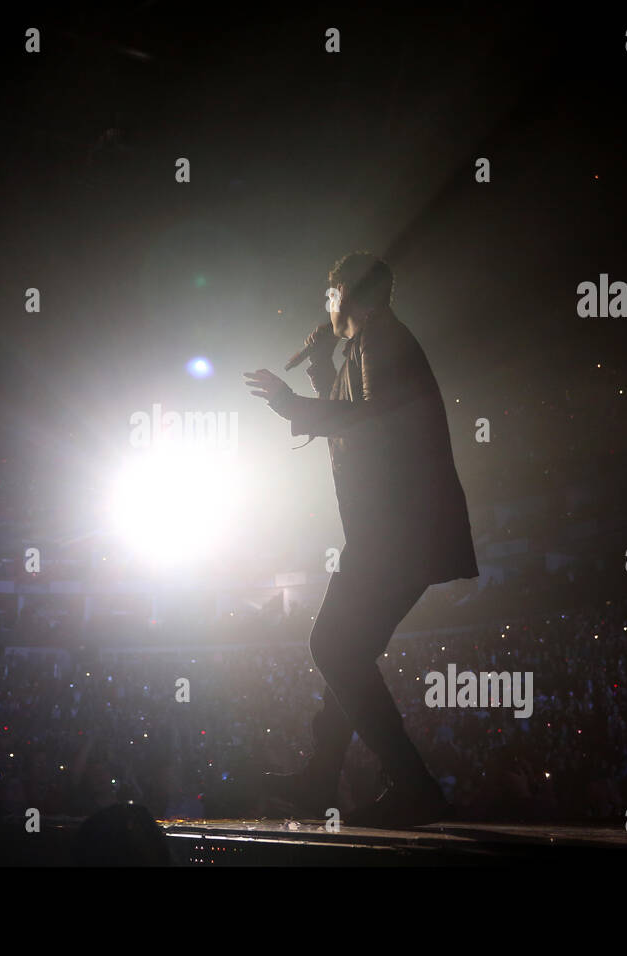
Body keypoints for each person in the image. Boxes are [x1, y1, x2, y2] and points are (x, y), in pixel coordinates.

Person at [244, 251, 479, 827]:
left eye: (328, 294)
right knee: (347, 651)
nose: (323, 305)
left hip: (398, 531)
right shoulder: (368, 346)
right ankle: (324, 775)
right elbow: (356, 413)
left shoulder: (381, 340)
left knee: (331, 647)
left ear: (346, 293)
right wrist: (320, 366)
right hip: (397, 530)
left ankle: (413, 786)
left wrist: (288, 403)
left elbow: (369, 419)